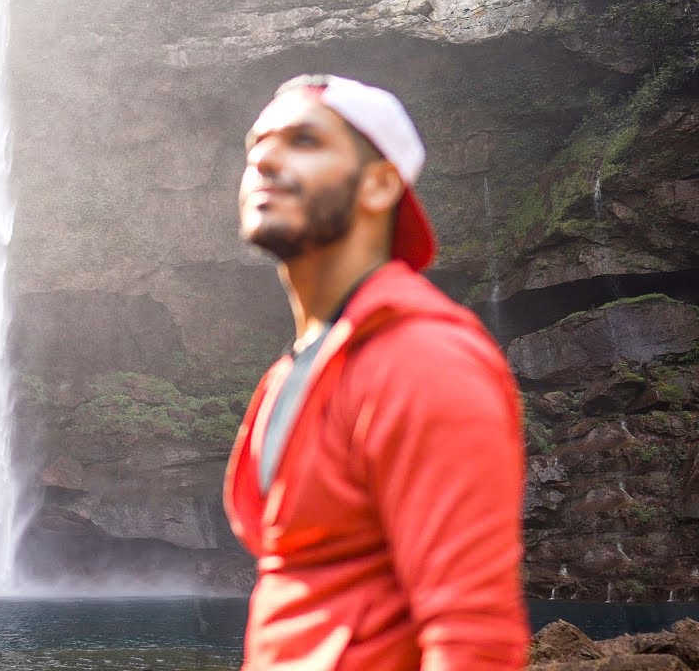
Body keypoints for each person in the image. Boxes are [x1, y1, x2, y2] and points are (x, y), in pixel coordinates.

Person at [223, 74, 529, 670]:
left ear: (381, 183)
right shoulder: (296, 369)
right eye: (256, 144)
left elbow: (473, 636)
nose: (264, 158)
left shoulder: (420, 359)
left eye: (305, 141)